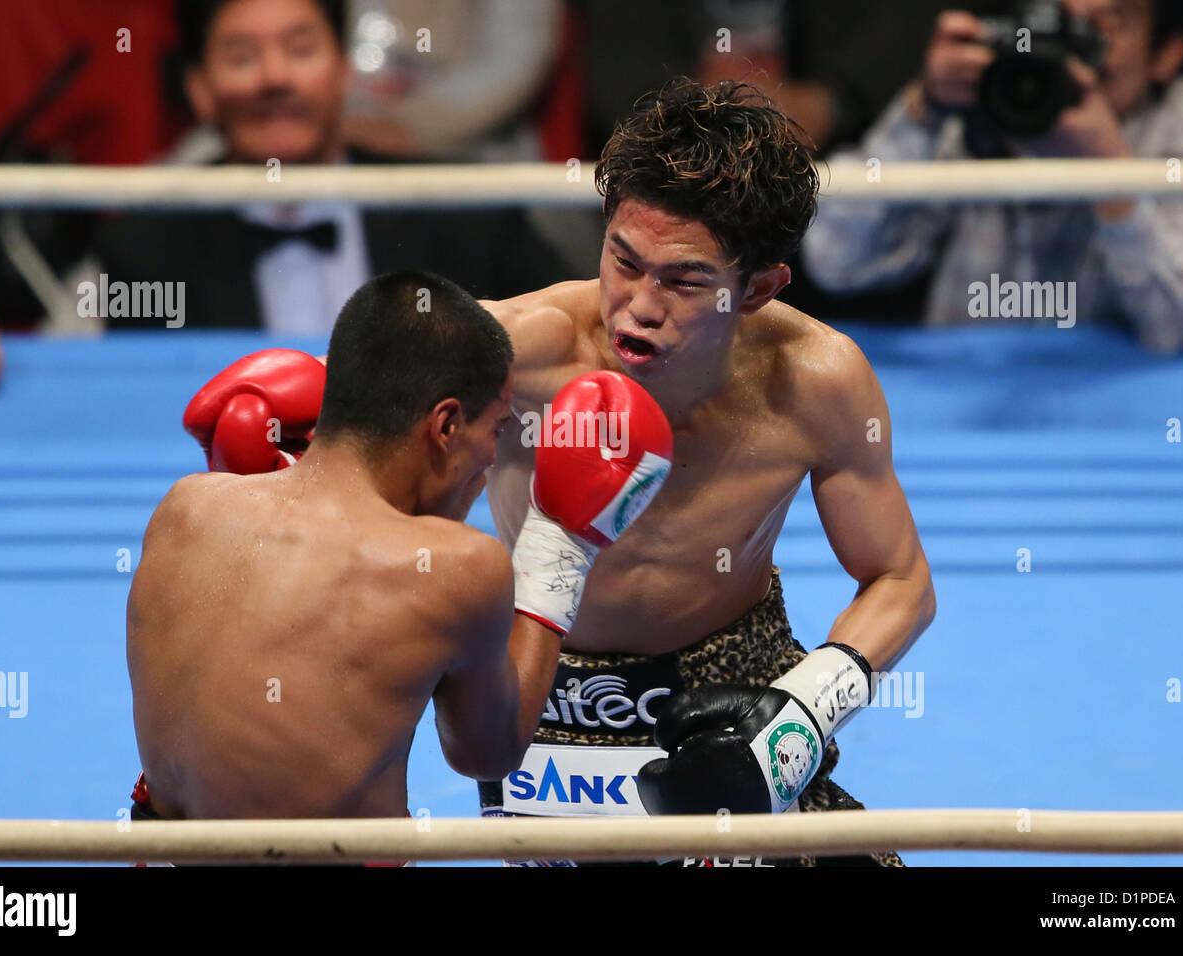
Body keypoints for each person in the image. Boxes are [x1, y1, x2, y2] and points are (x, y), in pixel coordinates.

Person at [187, 79, 936, 866]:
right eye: (624, 260)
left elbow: (900, 579)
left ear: (758, 288)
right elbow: (350, 437)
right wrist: (277, 456)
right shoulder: (514, 351)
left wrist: (803, 710)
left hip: (734, 681)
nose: (638, 306)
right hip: (540, 685)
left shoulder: (816, 381)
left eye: (684, 281)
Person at [127, 272, 672, 831]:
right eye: (499, 428)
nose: (491, 462)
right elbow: (489, 753)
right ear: (446, 424)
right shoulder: (457, 567)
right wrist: (561, 545)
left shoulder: (182, 508)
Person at [95, 0, 565, 333]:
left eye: (300, 49)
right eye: (243, 56)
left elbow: (579, 331)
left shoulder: (466, 217)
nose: (275, 77)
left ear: (343, 70)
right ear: (199, 90)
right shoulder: (148, 249)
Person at [802, 0, 1183, 354]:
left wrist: (1109, 171)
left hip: (1132, 415)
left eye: (1104, 28)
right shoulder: (987, 97)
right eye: (1061, 25)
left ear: (1166, 53)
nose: (1075, 53)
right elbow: (834, 260)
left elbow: (1179, 323)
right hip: (968, 401)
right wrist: (922, 113)